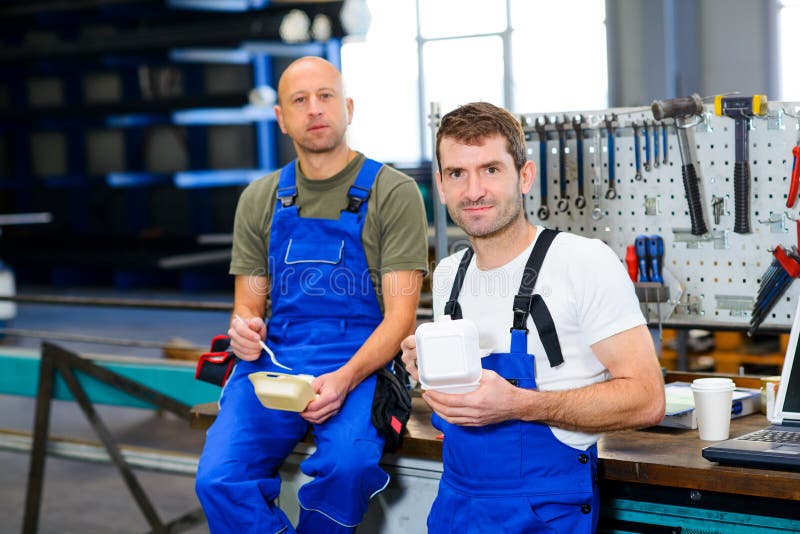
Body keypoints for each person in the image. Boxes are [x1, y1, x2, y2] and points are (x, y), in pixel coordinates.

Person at [401, 102, 665, 533]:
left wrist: (520, 405)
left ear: (524, 176)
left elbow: (647, 398)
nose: (473, 191)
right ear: (441, 185)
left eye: (490, 169)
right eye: (457, 174)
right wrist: (426, 368)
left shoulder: (582, 261)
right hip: (456, 508)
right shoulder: (450, 273)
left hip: (543, 513)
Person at [195, 56, 429, 533]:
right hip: (275, 364)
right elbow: (247, 307)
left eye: (325, 96)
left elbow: (401, 320)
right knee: (218, 478)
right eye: (299, 100)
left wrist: (343, 379)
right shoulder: (260, 198)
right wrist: (244, 333)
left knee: (349, 466)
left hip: (361, 363)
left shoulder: (393, 192)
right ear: (282, 118)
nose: (314, 109)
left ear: (347, 107)